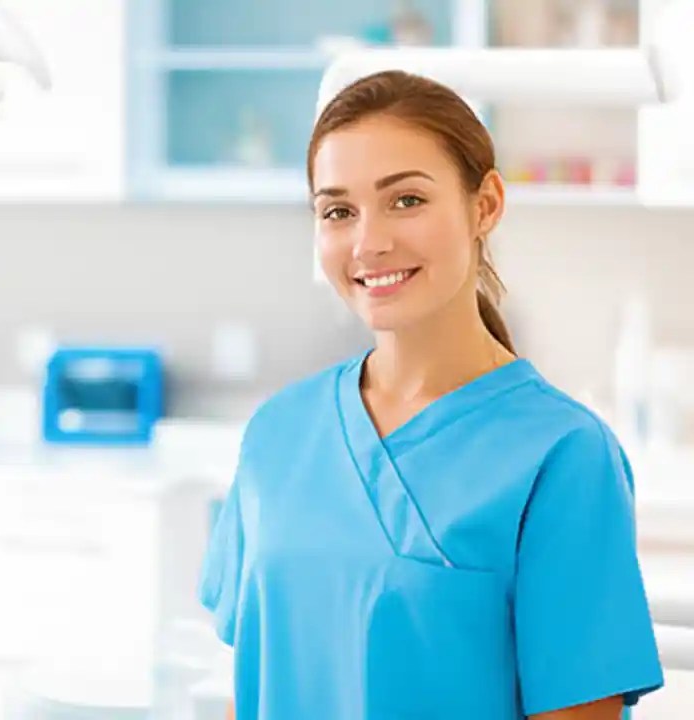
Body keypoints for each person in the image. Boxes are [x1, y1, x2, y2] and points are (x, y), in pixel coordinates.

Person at [199, 70, 665, 720]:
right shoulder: (278, 432)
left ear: (486, 204)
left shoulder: (564, 457)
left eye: (406, 200)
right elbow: (250, 685)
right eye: (338, 211)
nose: (369, 242)